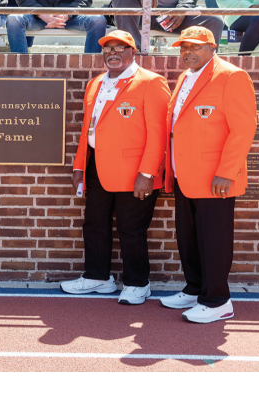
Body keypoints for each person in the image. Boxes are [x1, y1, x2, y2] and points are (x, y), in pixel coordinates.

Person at [61, 30, 170, 306]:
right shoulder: (96, 83)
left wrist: (147, 173)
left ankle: (138, 283)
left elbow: (159, 134)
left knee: (131, 229)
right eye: (108, 48)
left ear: (133, 52)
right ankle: (98, 277)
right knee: (94, 223)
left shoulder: (151, 82)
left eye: (121, 48)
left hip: (136, 172)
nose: (113, 53)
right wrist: (80, 166)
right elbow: (88, 129)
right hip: (97, 165)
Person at [161, 27, 256, 323]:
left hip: (215, 177)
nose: (188, 52)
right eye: (183, 47)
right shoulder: (184, 78)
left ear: (213, 47)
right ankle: (194, 288)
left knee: (213, 240)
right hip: (184, 174)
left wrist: (226, 172)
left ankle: (217, 300)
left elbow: (243, 129)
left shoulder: (231, 76)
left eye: (195, 47)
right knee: (188, 237)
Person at [112, 0, 225, 51]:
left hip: (173, 15)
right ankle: (132, 53)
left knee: (214, 20)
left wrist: (181, 10)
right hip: (138, 12)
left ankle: (206, 66)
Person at [6, 0, 107, 54]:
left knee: (98, 20)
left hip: (71, 17)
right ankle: (20, 70)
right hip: (37, 17)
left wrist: (68, 13)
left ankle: (91, 70)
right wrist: (41, 13)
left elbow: (85, 0)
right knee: (13, 20)